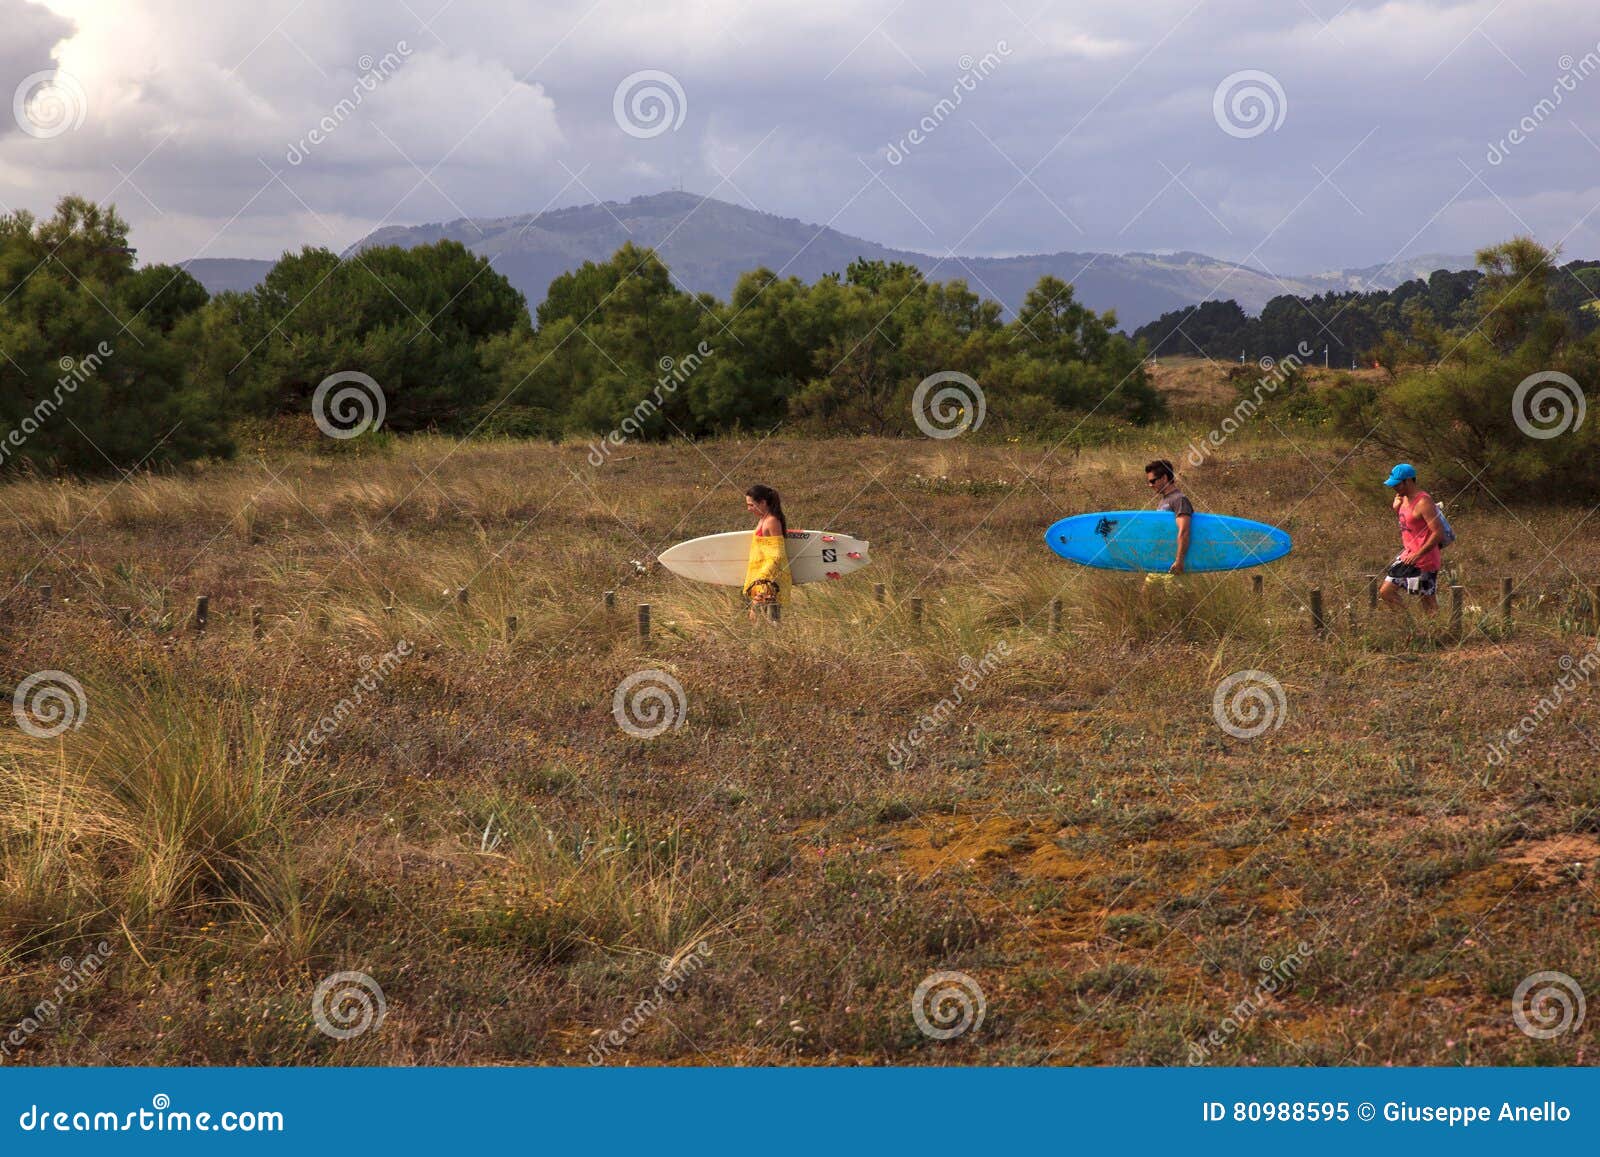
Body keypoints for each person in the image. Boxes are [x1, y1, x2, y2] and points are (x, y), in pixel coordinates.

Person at [1377, 463, 1445, 615]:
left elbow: (1438, 533)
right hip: (1407, 557)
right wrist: (1396, 508)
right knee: (1385, 592)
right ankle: (1410, 626)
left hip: (1424, 560)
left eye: (1397, 484)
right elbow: (1408, 525)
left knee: (1428, 602)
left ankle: (1437, 635)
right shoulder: (1402, 499)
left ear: (1408, 481)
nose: (1394, 488)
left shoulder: (1423, 502)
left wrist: (1418, 554)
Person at [742, 484, 791, 617]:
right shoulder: (763, 519)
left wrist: (762, 584)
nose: (748, 509)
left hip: (769, 582)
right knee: (760, 623)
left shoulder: (771, 522)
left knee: (771, 623)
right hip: (764, 580)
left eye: (751, 505)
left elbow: (777, 556)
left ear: (763, 502)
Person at [1145, 459, 1192, 575]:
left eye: (1153, 481)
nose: (1150, 485)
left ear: (1164, 478)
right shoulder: (1164, 500)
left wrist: (1179, 561)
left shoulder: (1179, 499)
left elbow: (1184, 532)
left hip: (1173, 565)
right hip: (1161, 563)